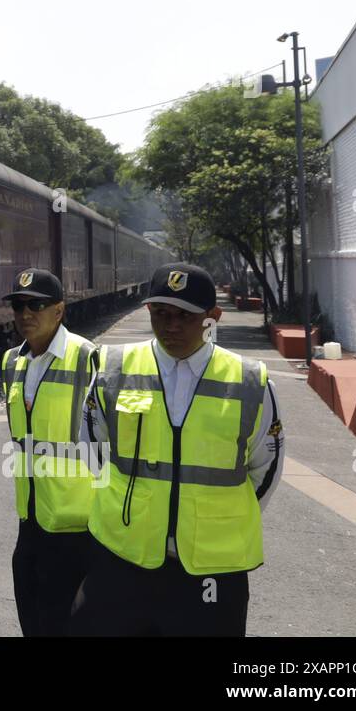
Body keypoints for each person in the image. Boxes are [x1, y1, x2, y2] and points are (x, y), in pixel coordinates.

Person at [70, 262, 284, 636]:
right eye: (162, 314)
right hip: (123, 557)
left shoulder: (250, 382)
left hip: (211, 568)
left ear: (212, 317)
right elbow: (92, 448)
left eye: (186, 316)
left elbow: (265, 469)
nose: (172, 326)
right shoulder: (113, 368)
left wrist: (217, 519)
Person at [0, 267, 97, 636]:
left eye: (36, 305)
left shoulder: (88, 358)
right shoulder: (12, 363)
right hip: (30, 524)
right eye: (19, 305)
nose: (25, 314)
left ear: (59, 310)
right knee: (34, 623)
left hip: (78, 529)